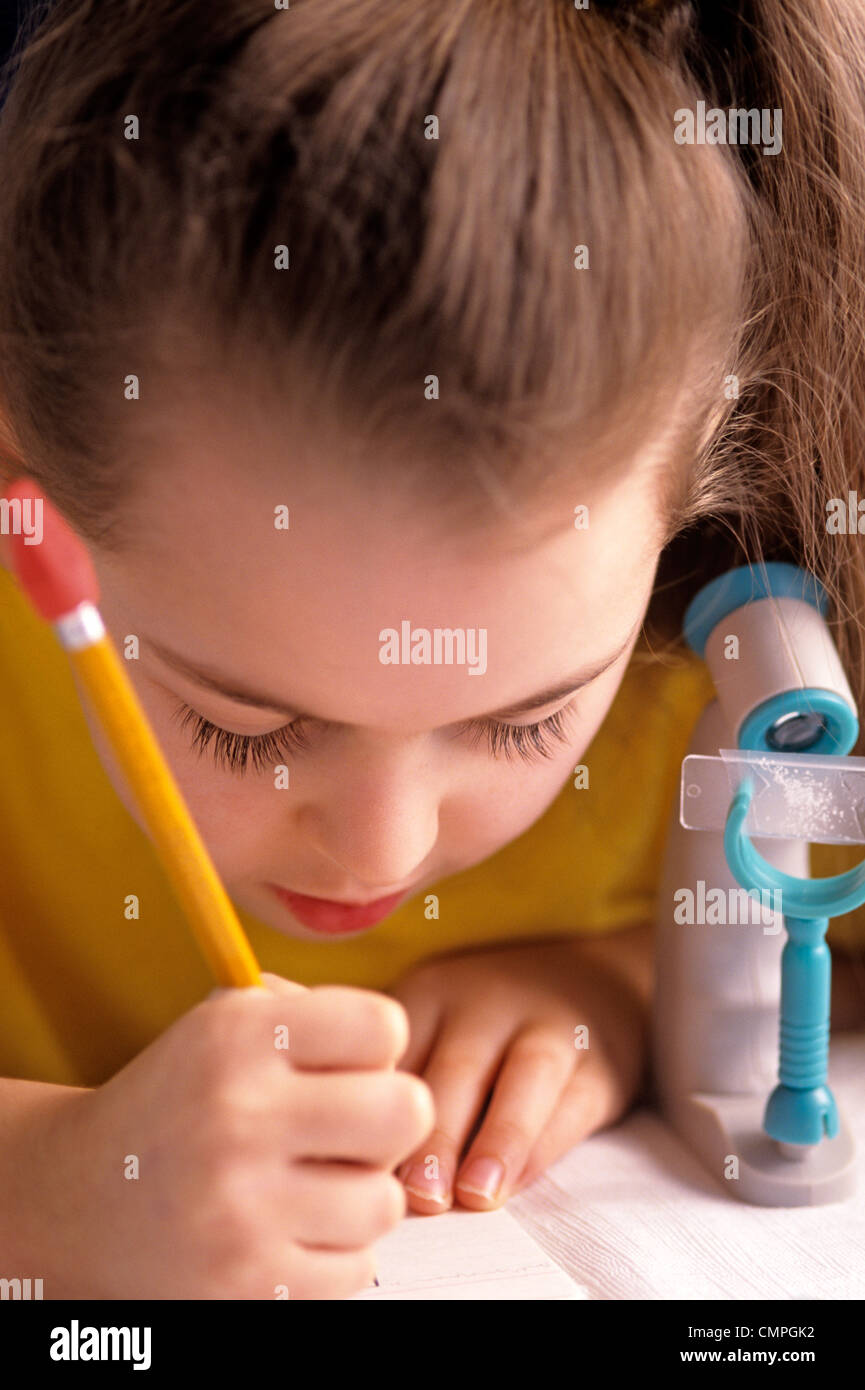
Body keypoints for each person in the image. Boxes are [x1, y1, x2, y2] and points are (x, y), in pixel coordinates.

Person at [0, 0, 863, 1300]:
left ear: (703, 492)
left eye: (525, 721)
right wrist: (53, 1176)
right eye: (243, 724)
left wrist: (633, 980)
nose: (378, 849)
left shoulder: (755, 665)